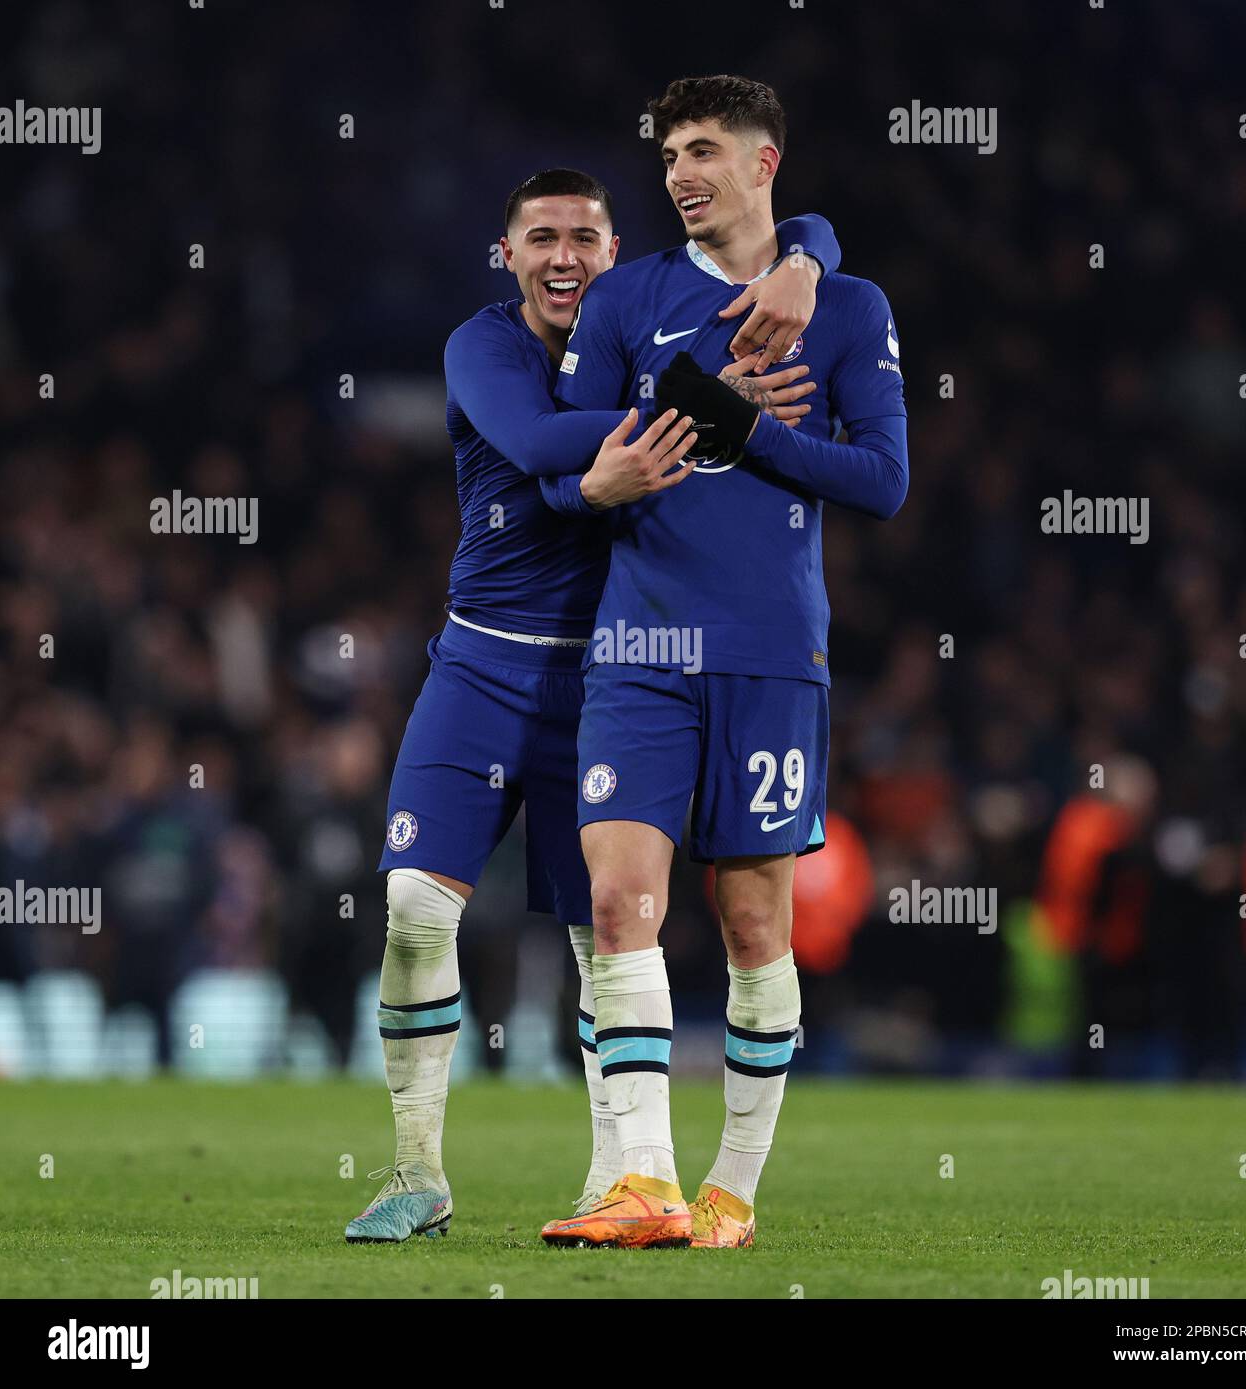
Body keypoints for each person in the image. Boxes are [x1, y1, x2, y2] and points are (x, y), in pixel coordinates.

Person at [345, 164, 840, 1242]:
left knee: (602, 938)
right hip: (480, 665)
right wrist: (708, 408)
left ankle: (619, 1180)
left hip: (618, 675)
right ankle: (414, 1170)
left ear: (614, 254)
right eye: (540, 238)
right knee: (417, 912)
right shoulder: (482, 345)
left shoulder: (651, 327)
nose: (563, 255)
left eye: (584, 236)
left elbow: (797, 227)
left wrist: (806, 256)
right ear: (508, 254)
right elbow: (531, 442)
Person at [539, 75, 908, 1249]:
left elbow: (884, 481)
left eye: (703, 149)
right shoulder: (622, 302)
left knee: (754, 927)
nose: (678, 174)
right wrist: (590, 482)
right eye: (665, 155)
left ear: (763, 163)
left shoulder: (842, 305)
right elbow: (560, 464)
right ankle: (642, 1179)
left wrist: (750, 431)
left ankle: (731, 1191)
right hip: (639, 644)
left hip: (769, 650)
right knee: (615, 904)